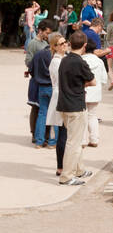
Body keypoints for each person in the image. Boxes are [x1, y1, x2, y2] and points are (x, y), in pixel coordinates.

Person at [57, 30, 94, 186]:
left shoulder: (64, 60)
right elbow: (92, 81)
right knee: (74, 142)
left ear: (70, 44)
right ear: (85, 45)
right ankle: (67, 176)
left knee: (74, 140)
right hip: (76, 106)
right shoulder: (80, 62)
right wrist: (81, 84)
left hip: (64, 105)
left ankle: (79, 170)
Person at [45, 33, 70, 178]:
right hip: (60, 97)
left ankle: (62, 165)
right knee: (62, 134)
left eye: (65, 42)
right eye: (61, 44)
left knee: (64, 133)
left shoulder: (62, 59)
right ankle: (60, 166)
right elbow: (61, 81)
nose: (65, 45)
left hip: (62, 96)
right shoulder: (56, 61)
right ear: (54, 47)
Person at [24, 21, 54, 139]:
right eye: (46, 32)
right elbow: (28, 61)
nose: (47, 35)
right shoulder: (33, 43)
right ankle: (34, 134)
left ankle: (42, 133)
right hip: (37, 80)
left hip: (45, 79)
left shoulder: (45, 43)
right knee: (36, 107)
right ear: (40, 30)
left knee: (44, 108)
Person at [31, 33, 56, 149]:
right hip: (54, 87)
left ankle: (39, 141)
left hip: (42, 86)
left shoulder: (39, 54)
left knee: (42, 113)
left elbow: (31, 69)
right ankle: (52, 141)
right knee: (54, 114)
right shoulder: (57, 56)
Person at [82, 42, 108, 146]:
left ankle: (82, 140)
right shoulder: (99, 61)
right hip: (95, 92)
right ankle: (94, 139)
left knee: (82, 117)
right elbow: (104, 79)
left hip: (83, 91)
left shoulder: (81, 60)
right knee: (92, 116)